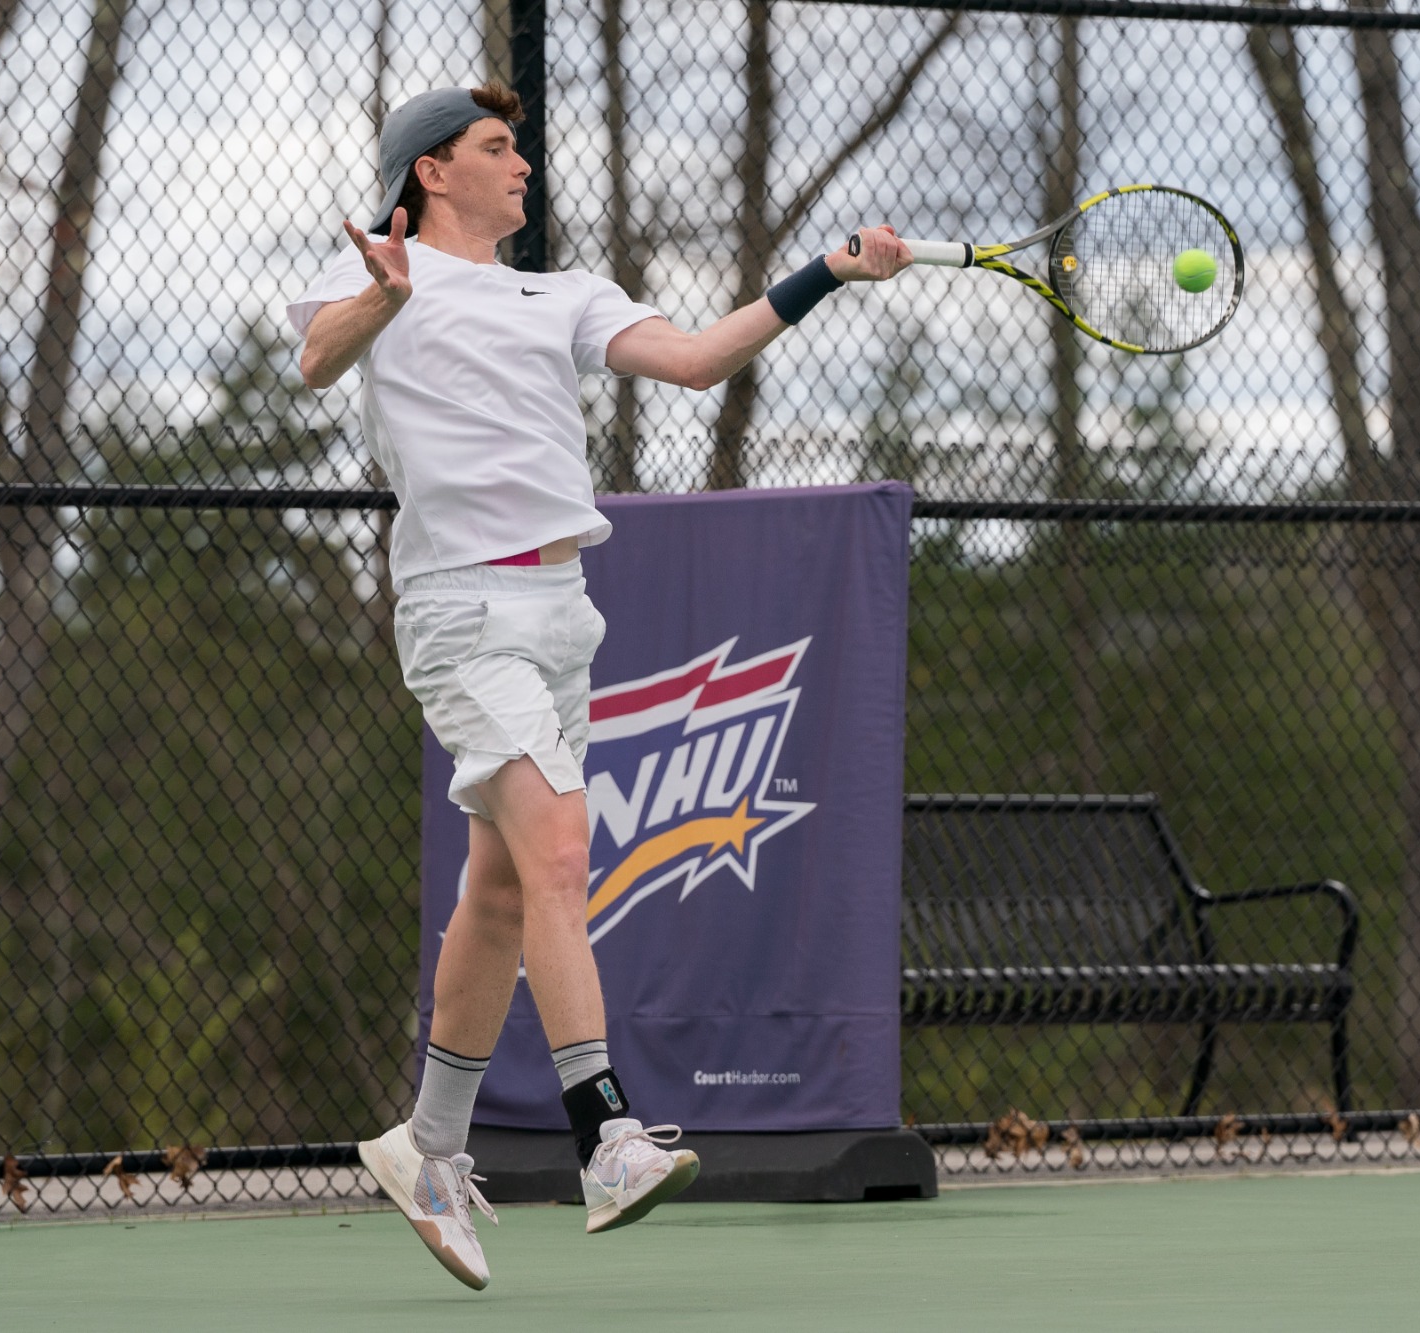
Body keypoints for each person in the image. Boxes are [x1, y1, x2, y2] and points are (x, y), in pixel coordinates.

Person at [287, 81, 910, 1291]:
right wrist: (384, 296)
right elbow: (316, 360)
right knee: (563, 852)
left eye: (517, 147)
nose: (520, 163)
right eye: (494, 147)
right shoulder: (379, 277)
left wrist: (828, 271)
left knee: (502, 890)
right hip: (462, 608)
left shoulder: (562, 292)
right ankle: (607, 1134)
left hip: (563, 614)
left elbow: (693, 360)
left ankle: (426, 1145)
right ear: (432, 172)